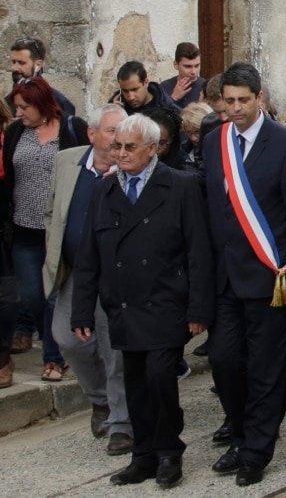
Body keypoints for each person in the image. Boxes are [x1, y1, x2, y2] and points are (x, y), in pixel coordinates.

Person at [70, 113, 213, 488]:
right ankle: (143, 454)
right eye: (116, 146)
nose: (120, 153)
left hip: (166, 301)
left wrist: (200, 309)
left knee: (159, 376)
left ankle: (169, 452)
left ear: (152, 149)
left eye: (130, 147)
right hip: (124, 305)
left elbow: (199, 250)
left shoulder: (179, 186)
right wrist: (82, 310)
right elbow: (89, 255)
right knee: (134, 381)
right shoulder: (105, 190)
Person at [203, 63, 286, 486]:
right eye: (228, 101)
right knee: (224, 360)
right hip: (225, 276)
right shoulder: (213, 142)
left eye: (243, 101)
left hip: (274, 277)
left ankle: (255, 450)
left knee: (266, 367)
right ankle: (238, 434)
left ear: (260, 100)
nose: (235, 109)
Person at [44, 104, 133, 454]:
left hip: (114, 277)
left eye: (125, 132)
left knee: (116, 352)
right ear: (92, 134)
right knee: (67, 340)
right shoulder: (66, 162)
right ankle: (100, 400)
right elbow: (52, 210)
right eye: (113, 131)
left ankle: (122, 424)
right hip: (73, 273)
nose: (120, 140)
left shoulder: (130, 168)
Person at [3, 77, 89, 381]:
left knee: (54, 294)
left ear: (41, 105)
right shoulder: (16, 132)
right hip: (24, 229)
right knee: (30, 294)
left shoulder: (71, 128)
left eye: (24, 107)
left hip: (59, 228)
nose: (18, 114)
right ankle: (52, 342)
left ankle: (53, 357)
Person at [8, 37, 76, 116]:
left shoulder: (57, 102)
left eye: (21, 63)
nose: (14, 68)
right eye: (13, 62)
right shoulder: (7, 103)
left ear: (38, 65)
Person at [111, 61, 181, 115]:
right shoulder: (117, 104)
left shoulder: (168, 109)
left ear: (146, 82)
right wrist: (113, 115)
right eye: (125, 91)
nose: (130, 97)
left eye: (135, 89)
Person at [160, 42, 206, 109]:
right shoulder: (163, 88)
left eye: (197, 66)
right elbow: (158, 116)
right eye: (188, 66)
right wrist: (173, 98)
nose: (193, 72)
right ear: (176, 65)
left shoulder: (207, 86)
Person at [179, 103, 212, 173]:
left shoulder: (224, 147)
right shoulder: (183, 151)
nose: (193, 138)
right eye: (189, 133)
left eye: (197, 132)